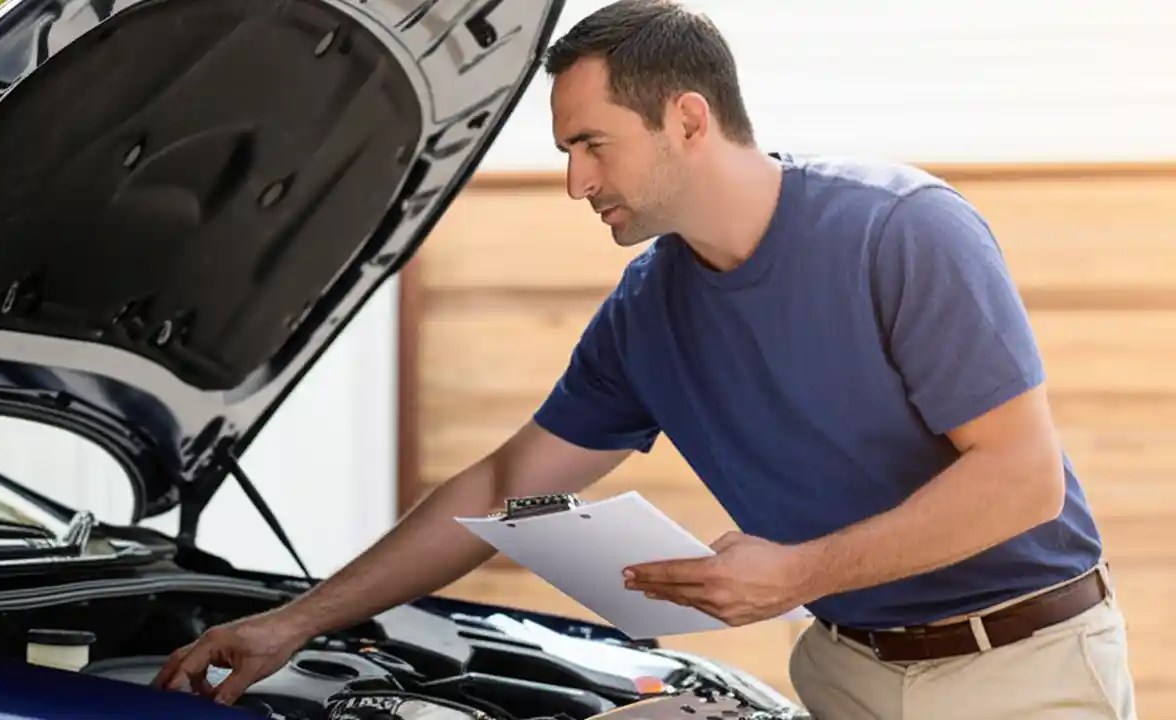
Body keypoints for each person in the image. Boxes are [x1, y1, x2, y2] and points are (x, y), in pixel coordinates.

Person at [152, 1, 1137, 717]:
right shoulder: (646, 311)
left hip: (1020, 669)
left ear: (688, 120)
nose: (574, 182)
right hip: (842, 672)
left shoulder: (899, 231)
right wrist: (297, 621)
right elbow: (499, 487)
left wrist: (794, 572)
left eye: (592, 145)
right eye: (565, 152)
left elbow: (1021, 481)